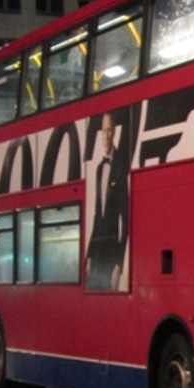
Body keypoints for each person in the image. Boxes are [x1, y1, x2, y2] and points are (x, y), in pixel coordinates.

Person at [85, 109, 130, 290]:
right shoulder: (98, 169)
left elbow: (125, 221)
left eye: (110, 130)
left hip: (111, 255)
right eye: (104, 131)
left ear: (115, 132)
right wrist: (88, 256)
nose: (106, 135)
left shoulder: (121, 166)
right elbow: (97, 215)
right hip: (96, 254)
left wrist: (119, 264)